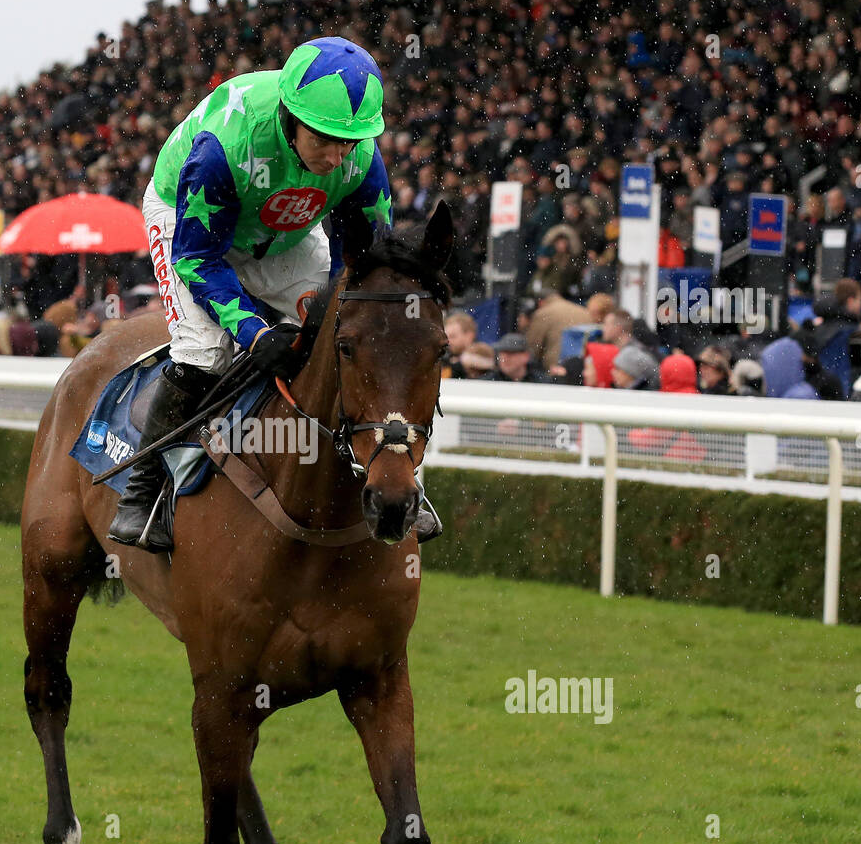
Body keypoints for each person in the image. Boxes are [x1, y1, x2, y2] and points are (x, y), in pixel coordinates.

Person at [110, 36, 440, 551]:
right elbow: (198, 259)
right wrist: (254, 330)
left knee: (352, 335)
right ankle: (145, 486)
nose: (336, 157)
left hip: (283, 229)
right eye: (324, 139)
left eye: (348, 143)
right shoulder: (224, 147)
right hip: (188, 222)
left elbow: (368, 271)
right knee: (206, 351)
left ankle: (397, 479)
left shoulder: (360, 159)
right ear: (289, 116)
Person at [483, 333, 550, 383]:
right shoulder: (486, 382)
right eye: (502, 353)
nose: (505, 358)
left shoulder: (543, 382)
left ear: (526, 356)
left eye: (511, 353)